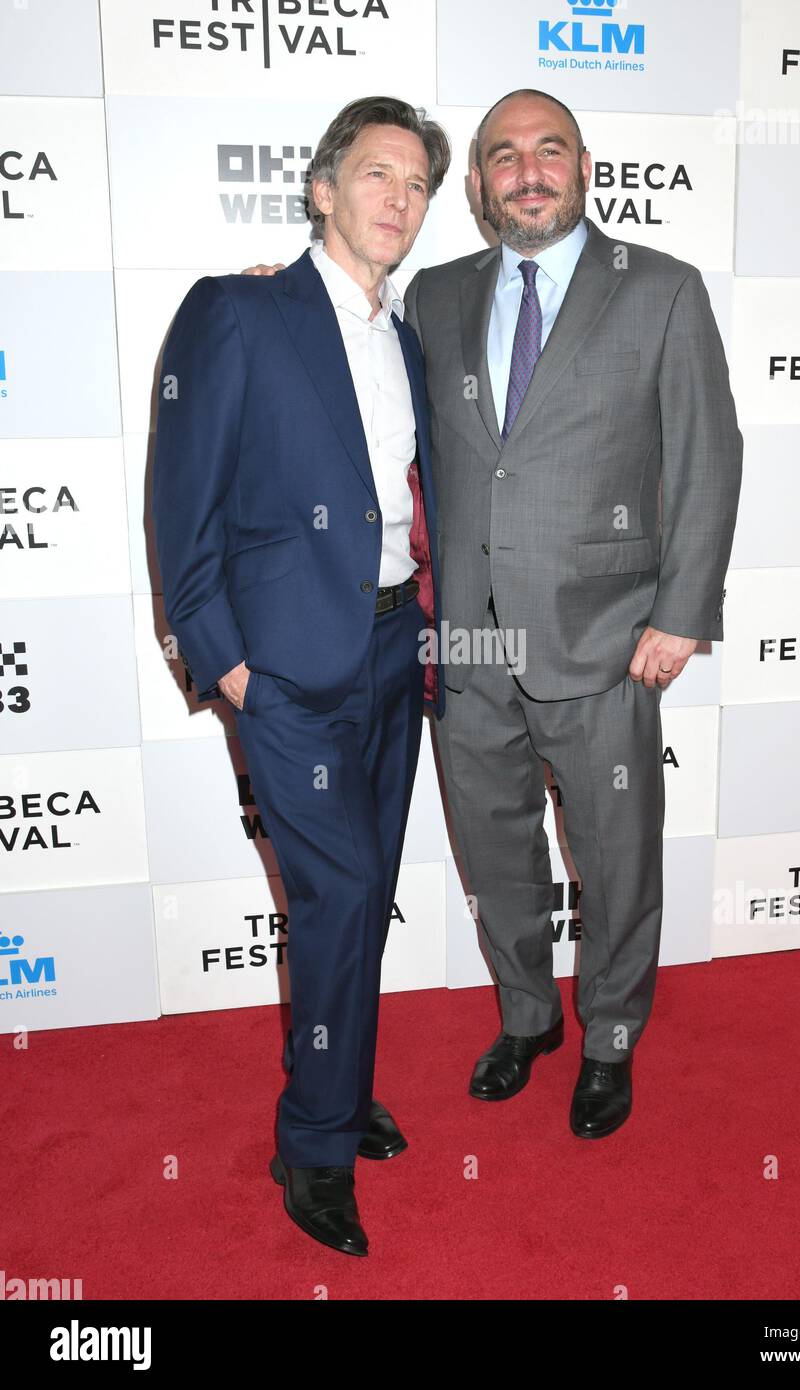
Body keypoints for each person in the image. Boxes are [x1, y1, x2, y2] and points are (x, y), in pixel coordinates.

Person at [243, 86, 743, 1144]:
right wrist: (270, 309)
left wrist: (683, 614)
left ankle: (609, 1034)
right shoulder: (433, 295)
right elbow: (356, 381)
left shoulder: (659, 291)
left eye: (548, 150)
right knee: (496, 854)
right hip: (464, 645)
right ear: (476, 185)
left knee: (615, 855)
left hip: (609, 640)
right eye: (503, 155)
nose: (528, 171)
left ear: (585, 166)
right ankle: (529, 1018)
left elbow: (709, 457)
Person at [152, 95, 450, 1256]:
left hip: (391, 649)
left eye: (418, 183)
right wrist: (229, 672)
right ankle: (313, 1144)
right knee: (336, 895)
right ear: (322, 187)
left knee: (364, 897)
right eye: (377, 173)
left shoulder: (405, 337)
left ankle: (339, 1078)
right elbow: (185, 513)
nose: (399, 197)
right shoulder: (238, 311)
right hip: (284, 670)